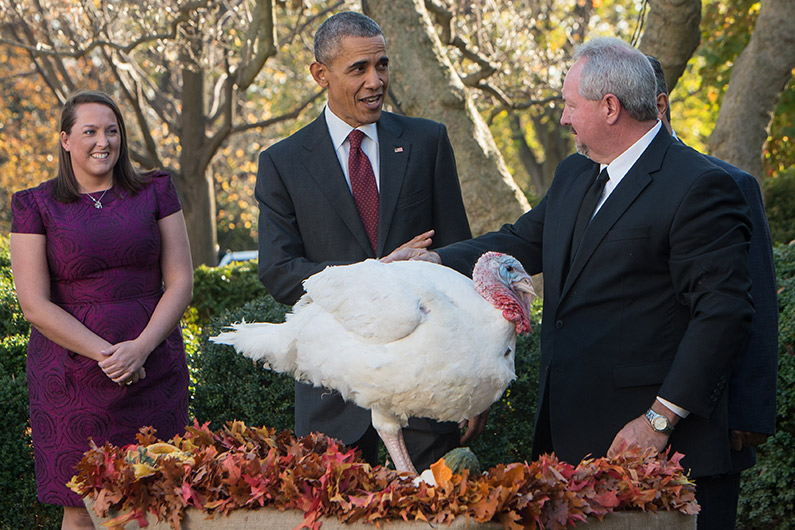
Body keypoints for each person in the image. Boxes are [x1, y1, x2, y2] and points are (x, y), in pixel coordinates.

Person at [385, 37, 753, 529]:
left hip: (657, 447)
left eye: (568, 105)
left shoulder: (700, 185)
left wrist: (660, 419)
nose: (562, 118)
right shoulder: (576, 173)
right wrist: (426, 262)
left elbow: (723, 312)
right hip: (572, 441)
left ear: (609, 107)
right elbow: (521, 242)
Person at [255, 11, 473, 472]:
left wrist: (470, 380)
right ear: (321, 74)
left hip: (426, 393)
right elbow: (279, 273)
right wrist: (375, 274)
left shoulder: (427, 141)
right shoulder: (283, 163)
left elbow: (460, 265)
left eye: (382, 65)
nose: (376, 81)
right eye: (359, 69)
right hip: (332, 399)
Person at [10, 90, 193, 530]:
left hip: (154, 368)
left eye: (112, 131)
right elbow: (34, 304)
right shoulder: (34, 205)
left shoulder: (155, 190)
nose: (103, 141)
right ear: (65, 140)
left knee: (159, 494)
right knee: (82, 504)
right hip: (72, 376)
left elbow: (182, 281)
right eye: (89, 131)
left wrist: (141, 349)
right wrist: (108, 355)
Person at [647, 54, 778, 526]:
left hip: (714, 420)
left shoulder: (728, 183)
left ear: (659, 105)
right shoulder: (592, 188)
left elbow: (756, 301)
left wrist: (750, 410)